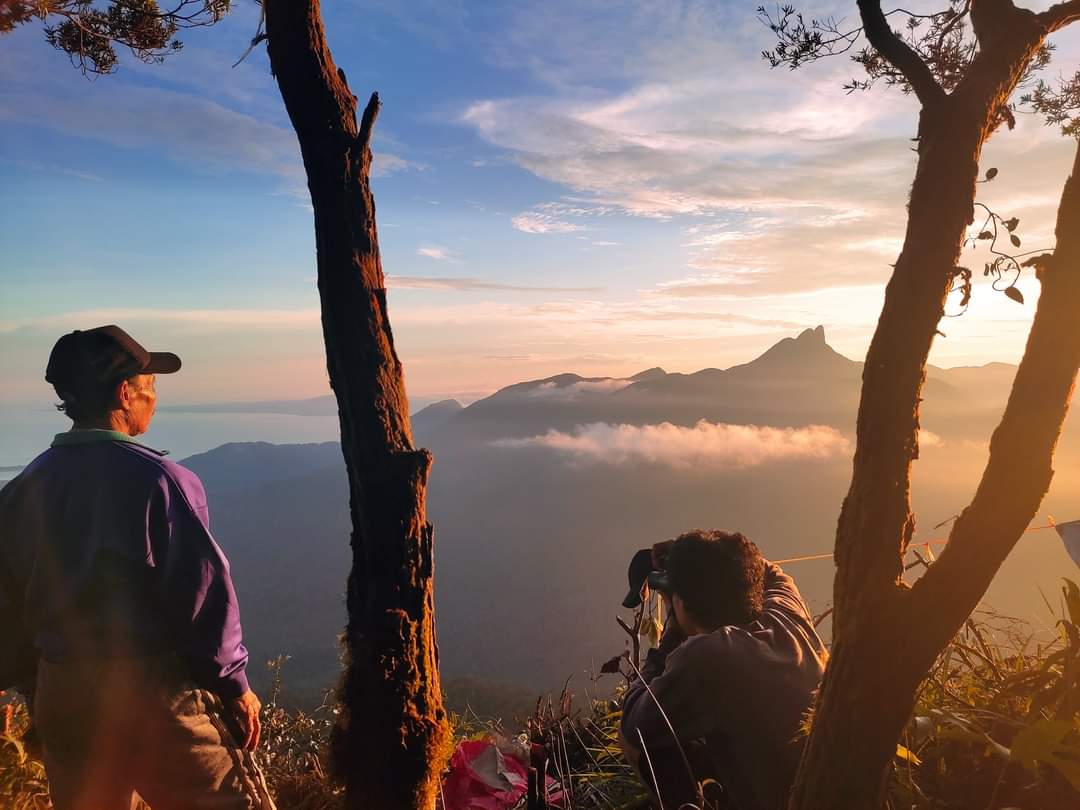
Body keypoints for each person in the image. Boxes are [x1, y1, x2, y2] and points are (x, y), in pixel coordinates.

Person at [0, 325, 275, 810]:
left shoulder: (24, 487)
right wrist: (235, 686)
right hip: (147, 693)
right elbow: (203, 592)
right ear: (125, 393)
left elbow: (9, 602)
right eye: (149, 386)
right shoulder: (162, 482)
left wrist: (34, 684)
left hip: (62, 688)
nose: (154, 398)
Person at [620, 529, 827, 810]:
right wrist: (703, 552)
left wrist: (671, 633)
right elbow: (766, 570)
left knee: (640, 741)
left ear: (683, 602)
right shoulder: (786, 616)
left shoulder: (709, 657)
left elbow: (635, 726)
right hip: (830, 787)